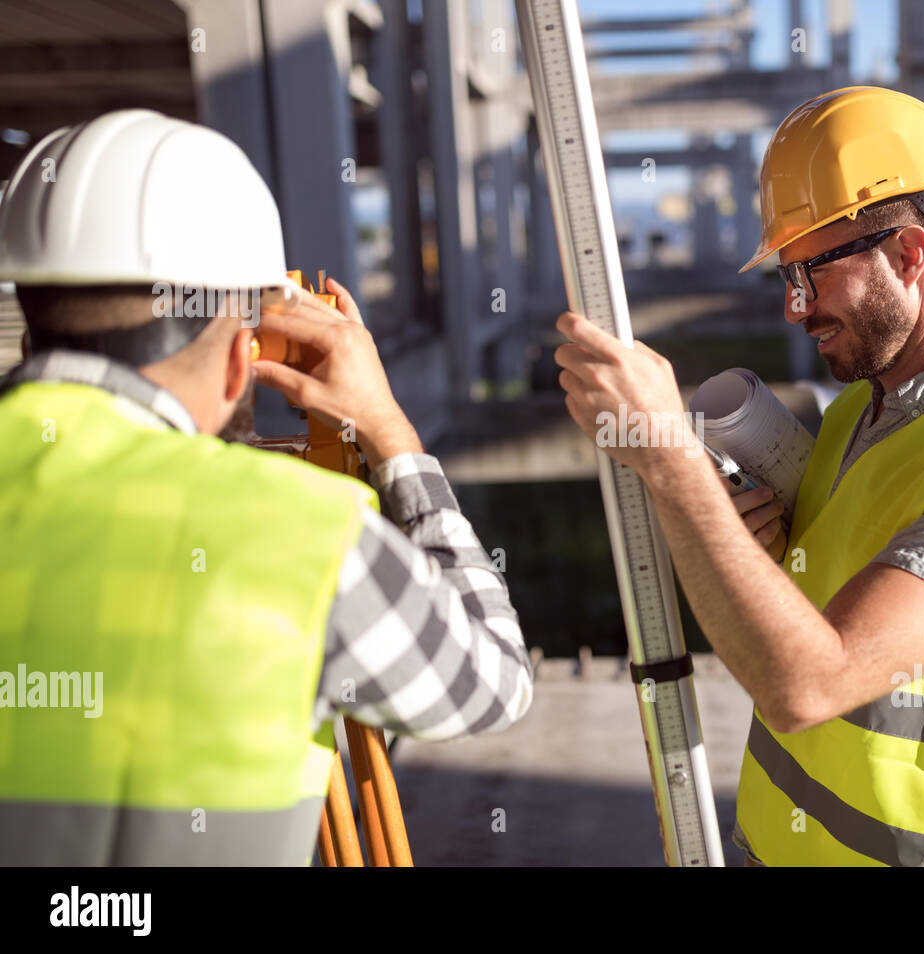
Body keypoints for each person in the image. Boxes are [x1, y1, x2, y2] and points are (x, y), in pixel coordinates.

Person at [554, 86, 924, 866]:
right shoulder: (860, 413)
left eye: (809, 274)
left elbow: (808, 686)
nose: (795, 308)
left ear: (907, 254)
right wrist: (773, 552)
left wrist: (670, 460)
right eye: (787, 280)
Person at [0, 110, 533, 865]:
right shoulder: (301, 534)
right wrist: (389, 436)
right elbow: (493, 680)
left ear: (29, 335)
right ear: (236, 361)